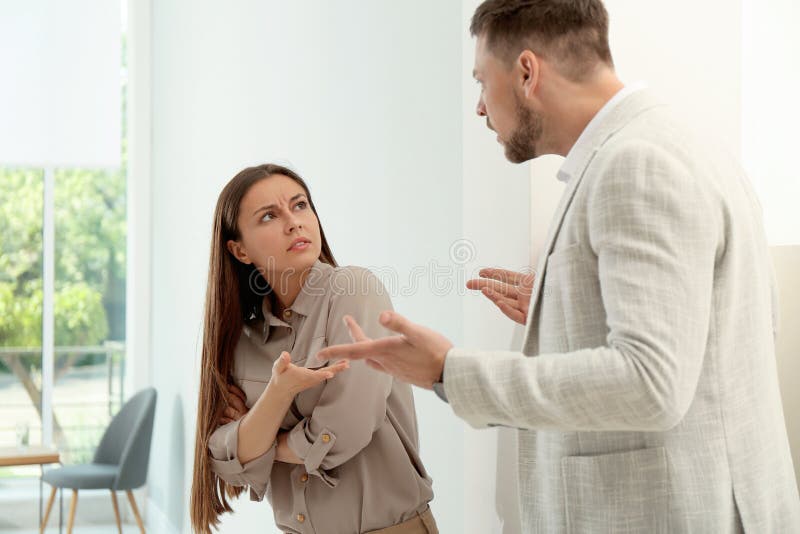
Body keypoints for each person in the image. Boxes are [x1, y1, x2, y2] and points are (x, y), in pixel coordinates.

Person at [317, 1, 800, 532]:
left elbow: (651, 385)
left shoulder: (635, 165)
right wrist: (569, 313)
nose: (479, 107)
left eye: (482, 81)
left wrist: (447, 370)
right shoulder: (680, 145)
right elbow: (711, 335)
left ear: (527, 72)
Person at [189, 164, 438, 534]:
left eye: (300, 205)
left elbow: (343, 431)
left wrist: (261, 439)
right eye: (270, 216)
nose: (294, 223)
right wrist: (278, 393)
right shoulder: (243, 339)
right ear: (239, 250)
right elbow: (226, 459)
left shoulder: (354, 290)